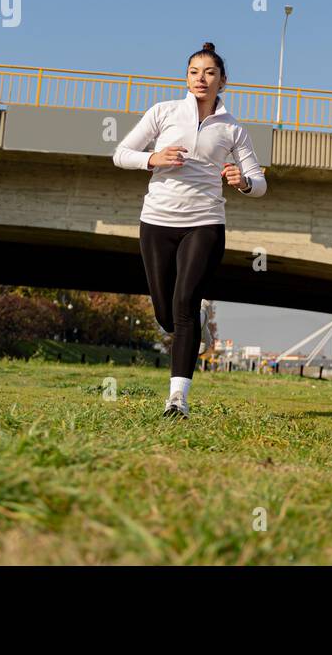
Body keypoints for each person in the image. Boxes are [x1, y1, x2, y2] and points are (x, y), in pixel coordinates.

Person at [113, 42, 266, 418]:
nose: (201, 78)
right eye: (194, 72)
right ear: (187, 78)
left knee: (185, 303)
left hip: (205, 222)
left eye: (209, 72)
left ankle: (177, 400)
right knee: (166, 313)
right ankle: (193, 325)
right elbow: (120, 153)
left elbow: (260, 182)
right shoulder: (162, 112)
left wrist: (242, 180)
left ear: (223, 81)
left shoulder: (232, 129)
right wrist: (153, 157)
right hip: (157, 221)